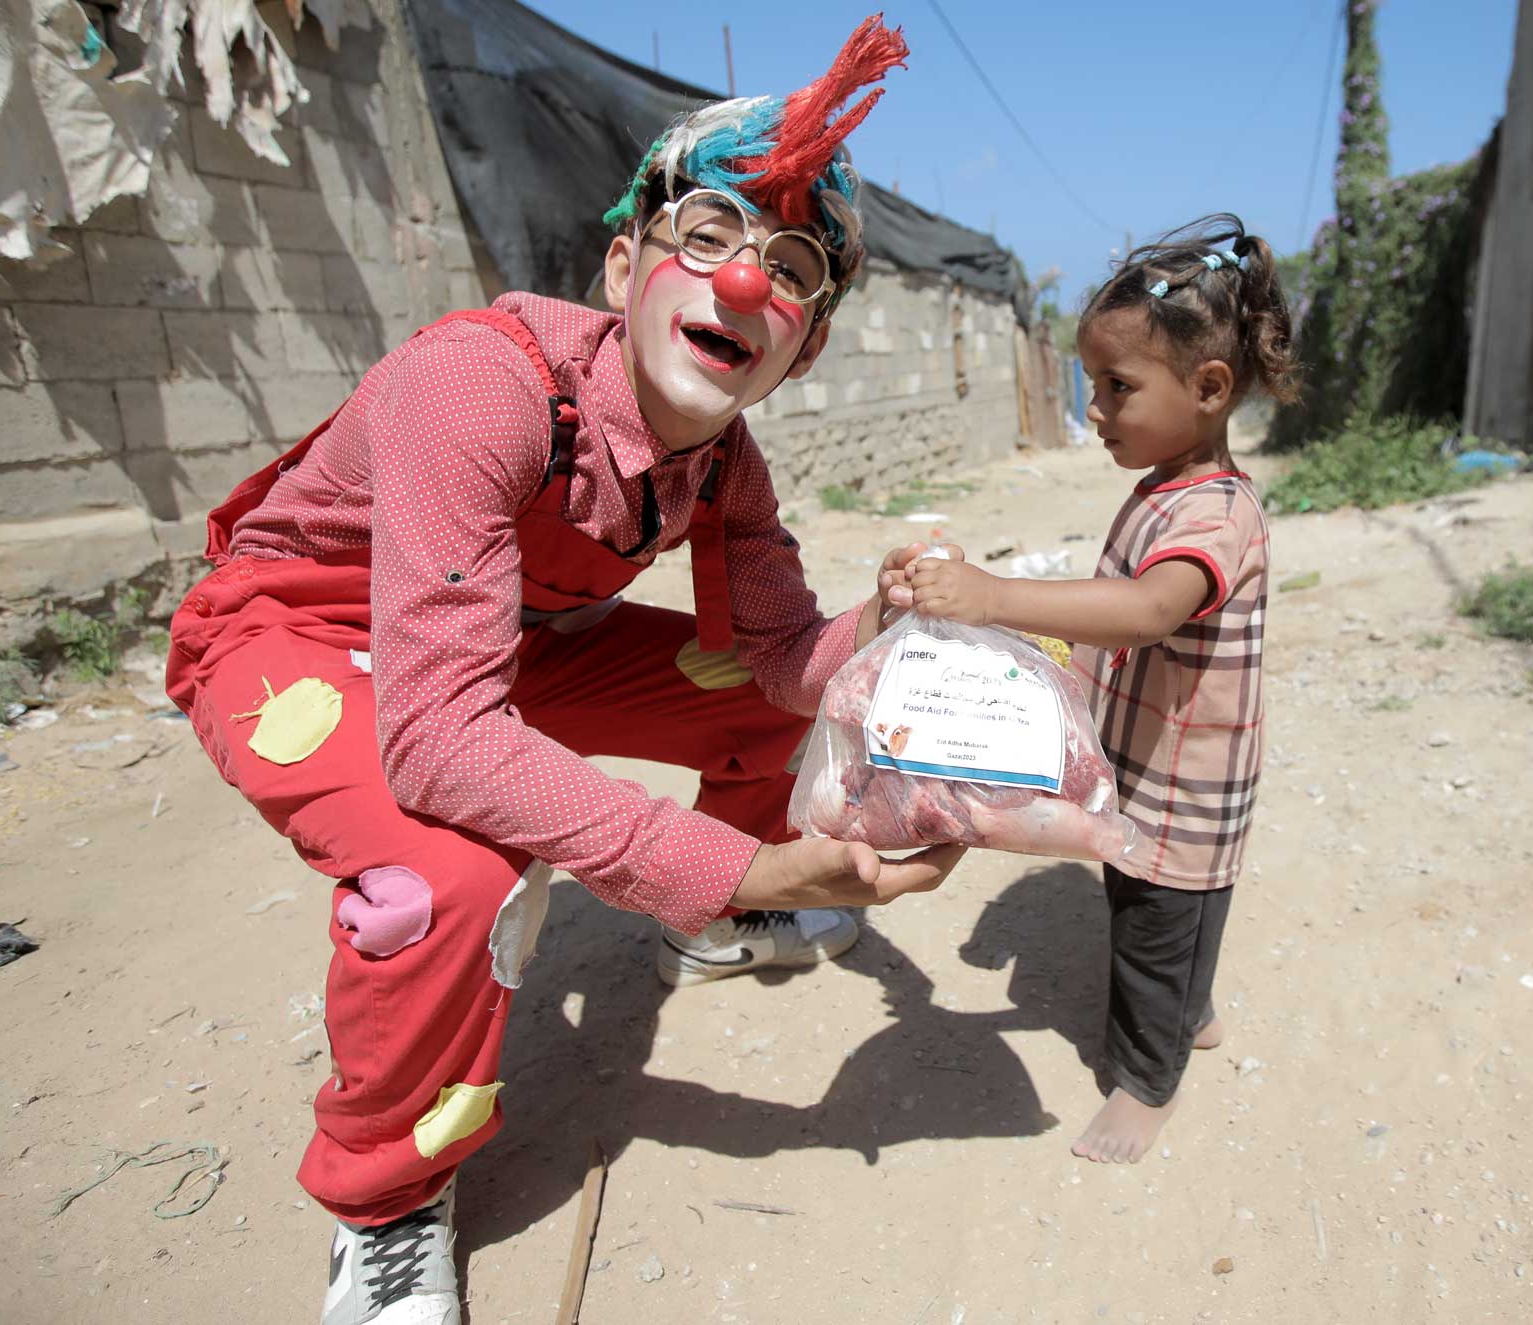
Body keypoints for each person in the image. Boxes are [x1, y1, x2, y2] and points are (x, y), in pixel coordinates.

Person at [164, 18, 964, 1324]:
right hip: (297, 638)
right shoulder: (478, 385)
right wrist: (747, 865)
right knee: (452, 875)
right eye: (707, 234)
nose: (743, 280)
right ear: (624, 266)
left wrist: (900, 629)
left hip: (499, 648)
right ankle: (385, 1206)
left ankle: (702, 933)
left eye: (792, 267)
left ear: (803, 348)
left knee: (761, 703)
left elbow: (779, 658)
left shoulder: (725, 464)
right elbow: (440, 740)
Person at [902, 215, 1296, 1164]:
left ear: (1209, 389)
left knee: (1160, 928)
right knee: (1154, 909)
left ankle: (1146, 1081)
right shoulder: (1166, 486)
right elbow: (1113, 612)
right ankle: (1188, 1012)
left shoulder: (1217, 511)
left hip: (1186, 782)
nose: (1095, 409)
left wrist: (995, 595)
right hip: (1143, 766)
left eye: (1118, 387)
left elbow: (1150, 608)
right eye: (1093, 385)